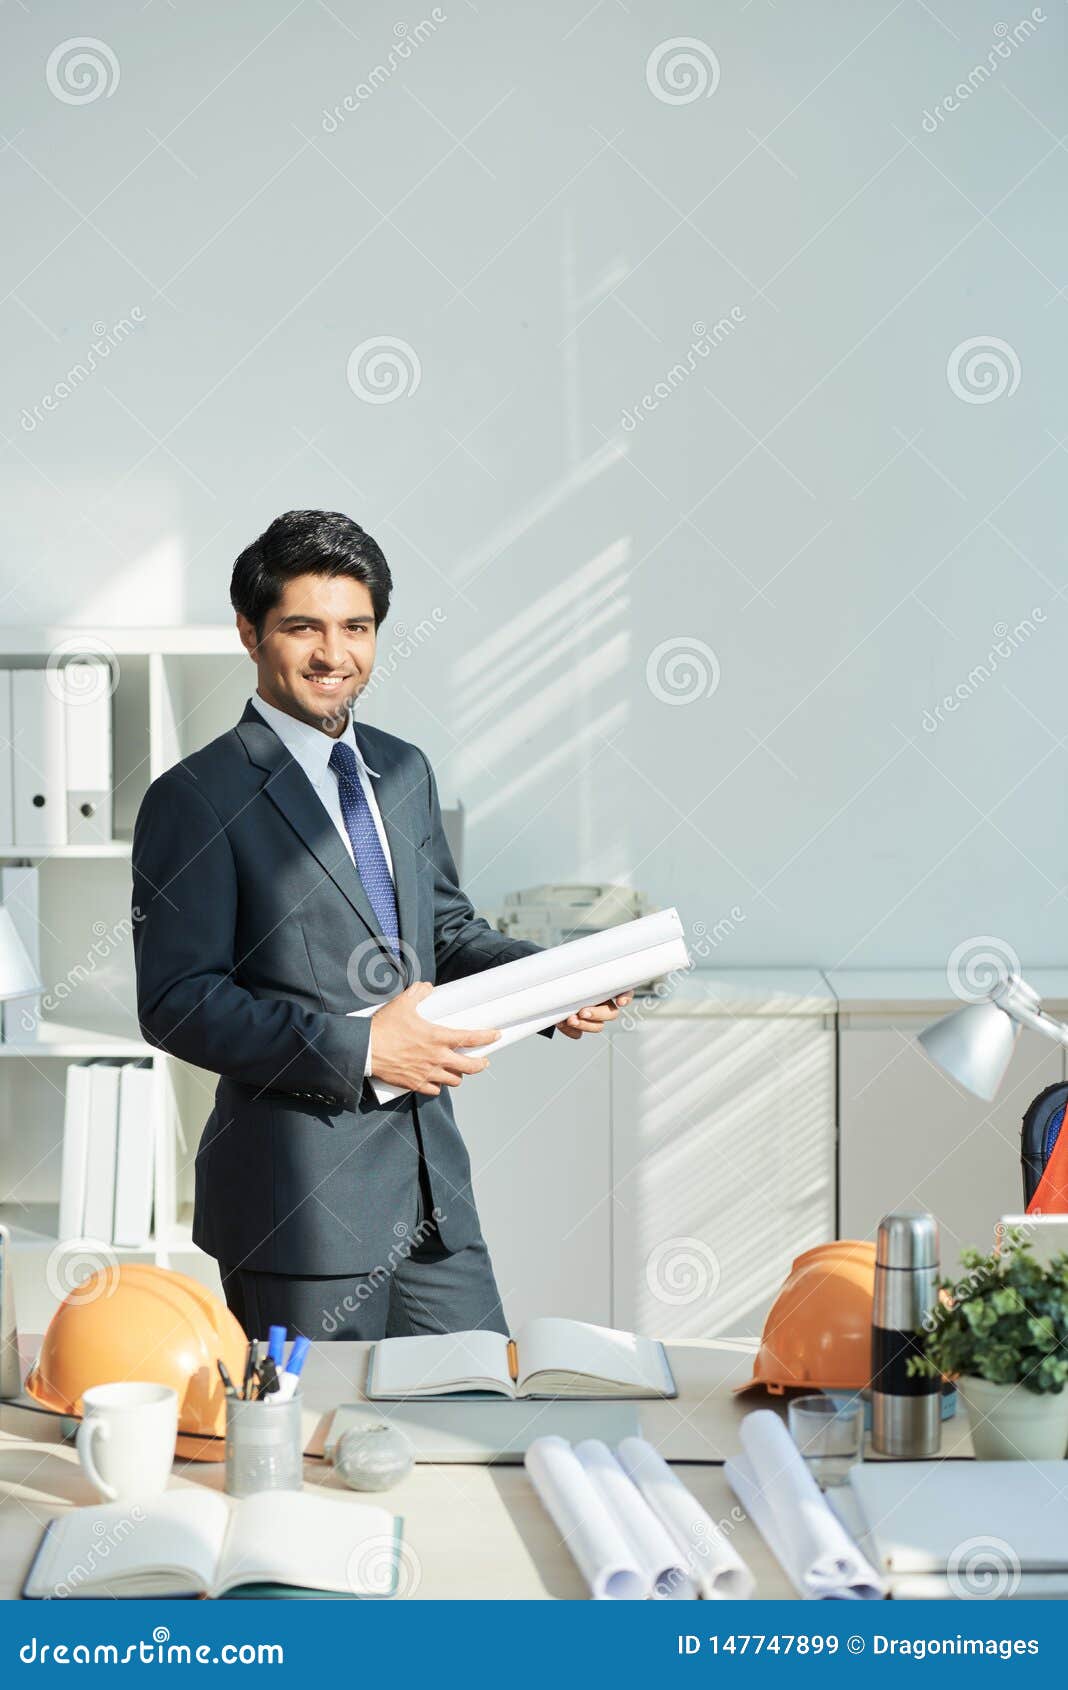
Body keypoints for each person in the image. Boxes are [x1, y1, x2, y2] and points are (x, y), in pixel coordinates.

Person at [131, 509, 631, 1341]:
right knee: (321, 1454)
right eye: (304, 627)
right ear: (251, 634)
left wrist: (553, 987)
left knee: (473, 1429)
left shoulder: (401, 769)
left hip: (436, 1201)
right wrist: (363, 1049)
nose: (335, 655)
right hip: (298, 1209)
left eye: (356, 627)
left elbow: (448, 930)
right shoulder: (196, 797)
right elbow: (179, 1001)